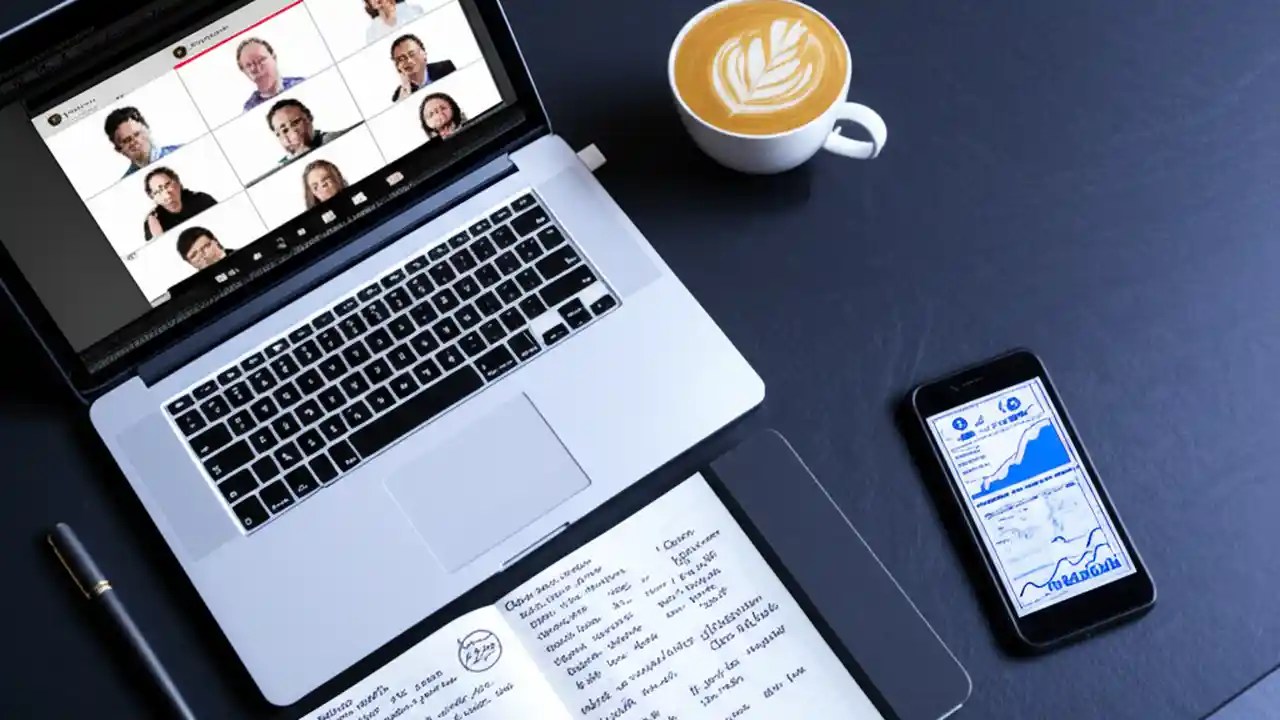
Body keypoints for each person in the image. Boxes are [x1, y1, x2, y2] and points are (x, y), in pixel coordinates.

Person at [104, 107, 181, 178]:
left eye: (137, 134)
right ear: (119, 150)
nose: (134, 142)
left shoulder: (182, 152)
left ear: (147, 129)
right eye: (126, 141)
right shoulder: (127, 183)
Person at [142, 168, 217, 241]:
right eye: (157, 192)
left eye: (167, 185)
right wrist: (159, 238)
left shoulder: (201, 199)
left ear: (178, 183)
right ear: (153, 198)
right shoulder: (153, 221)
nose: (167, 195)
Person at [267, 99, 348, 166]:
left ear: (309, 118)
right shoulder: (282, 165)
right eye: (284, 130)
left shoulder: (334, 139)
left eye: (296, 123)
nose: (293, 132)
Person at [238, 38, 306, 112]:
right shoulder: (249, 108)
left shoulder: (301, 84)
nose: (257, 68)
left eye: (261, 60)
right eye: (249, 65)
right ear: (243, 71)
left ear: (274, 58)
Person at [389, 34, 455, 102]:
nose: (409, 61)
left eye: (412, 54)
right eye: (401, 59)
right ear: (397, 66)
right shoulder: (399, 95)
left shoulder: (446, 68)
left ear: (424, 54)